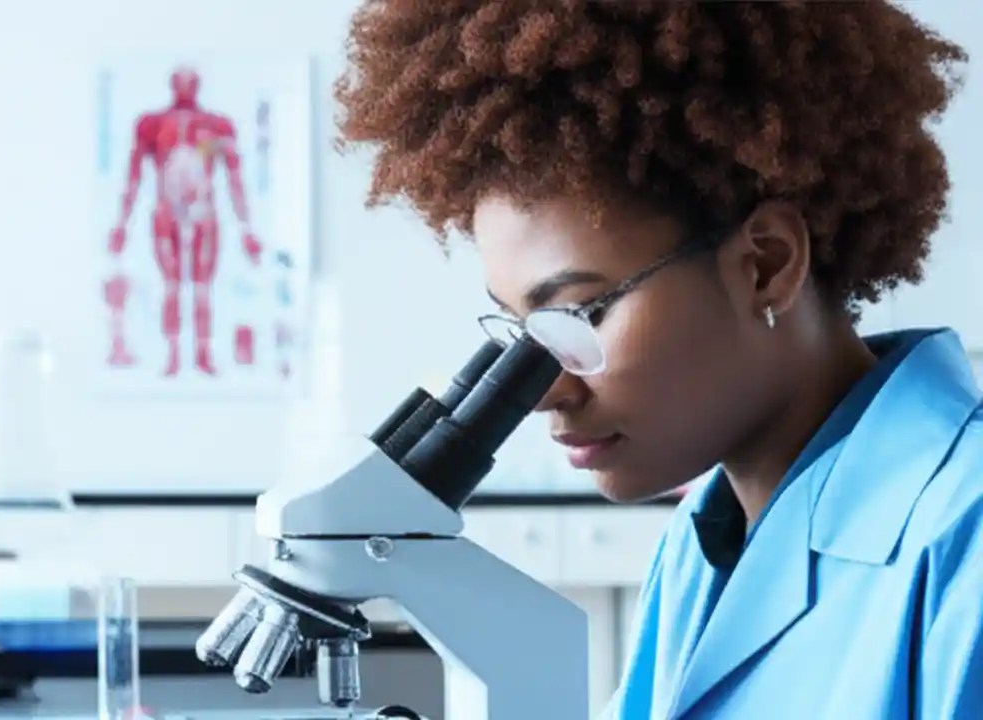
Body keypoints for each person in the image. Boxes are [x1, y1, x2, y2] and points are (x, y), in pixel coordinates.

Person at [333, 2, 977, 718]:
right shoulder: (707, 546)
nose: (544, 392)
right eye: (521, 330)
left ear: (765, 264)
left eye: (576, 315)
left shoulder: (964, 540)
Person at [105, 66, 263, 376]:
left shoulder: (217, 126)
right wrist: (122, 224)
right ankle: (174, 353)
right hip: (167, 213)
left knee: (203, 287)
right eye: (181, 82)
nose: (186, 88)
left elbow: (235, 180)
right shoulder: (151, 125)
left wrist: (247, 230)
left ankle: (203, 353)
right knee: (172, 285)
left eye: (191, 82)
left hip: (204, 212)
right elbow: (134, 177)